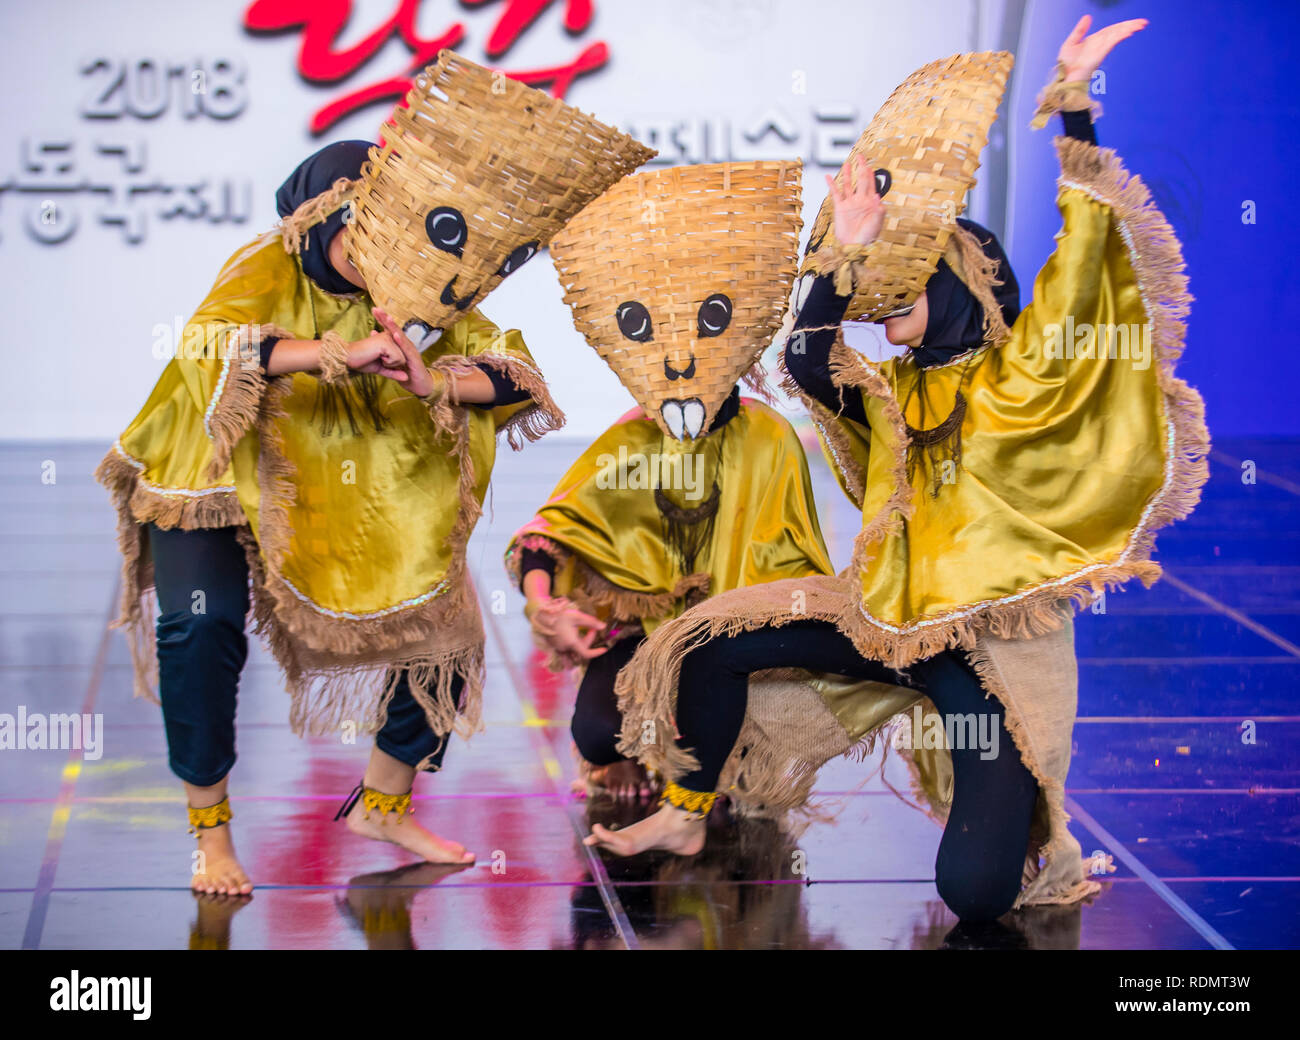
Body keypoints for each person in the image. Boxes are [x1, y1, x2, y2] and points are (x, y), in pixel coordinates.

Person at [590, 18, 1208, 926]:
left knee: (976, 893)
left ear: (960, 282)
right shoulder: (892, 390)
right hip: (886, 621)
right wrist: (843, 248)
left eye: (905, 275)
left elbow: (1088, 261)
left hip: (988, 656)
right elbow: (807, 360)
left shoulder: (1028, 367)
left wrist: (1074, 104)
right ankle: (687, 820)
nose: (884, 295)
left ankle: (1039, 845)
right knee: (707, 646)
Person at [95, 50, 653, 895]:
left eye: (388, 226)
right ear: (320, 221)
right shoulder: (268, 264)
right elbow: (208, 345)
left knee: (449, 632)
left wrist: (440, 381)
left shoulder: (417, 284)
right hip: (206, 472)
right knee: (199, 631)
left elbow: (514, 370)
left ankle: (383, 804)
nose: (375, 247)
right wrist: (328, 352)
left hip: (319, 482)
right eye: (359, 227)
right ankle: (210, 829)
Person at [505, 161, 835, 799]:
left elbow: (797, 570)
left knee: (728, 734)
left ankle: (719, 753)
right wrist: (544, 603)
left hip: (732, 645)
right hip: (639, 638)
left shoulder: (770, 439)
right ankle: (632, 756)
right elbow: (550, 535)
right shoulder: (633, 435)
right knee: (601, 732)